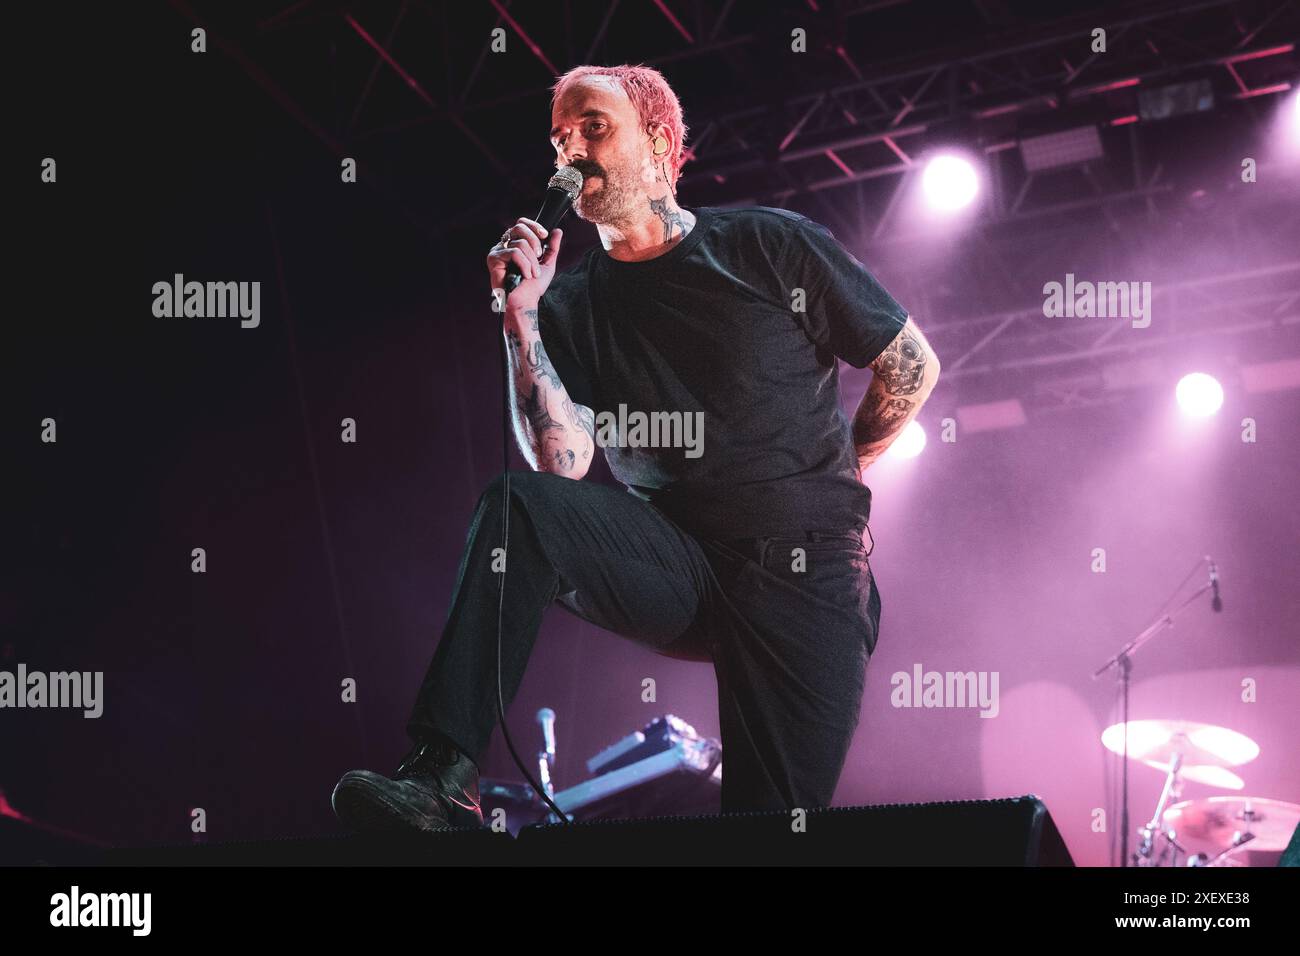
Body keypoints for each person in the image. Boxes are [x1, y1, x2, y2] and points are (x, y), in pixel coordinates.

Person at [331, 64, 941, 833]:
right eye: (559, 137)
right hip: (679, 563)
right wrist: (521, 319)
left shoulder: (766, 245)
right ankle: (442, 775)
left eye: (593, 128)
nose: (570, 151)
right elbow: (563, 466)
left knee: (766, 827)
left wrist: (848, 470)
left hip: (805, 573)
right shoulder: (572, 303)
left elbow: (909, 364)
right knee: (518, 507)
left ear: (658, 141)